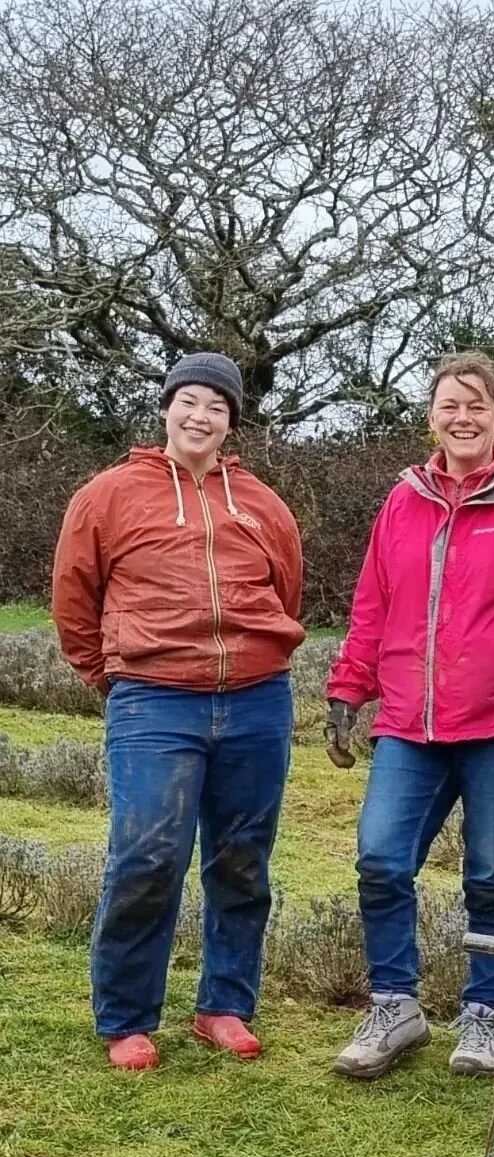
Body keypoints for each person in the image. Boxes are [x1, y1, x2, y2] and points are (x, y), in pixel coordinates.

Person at [51, 353, 304, 1070]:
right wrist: (117, 677)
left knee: (242, 858)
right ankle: (127, 1016)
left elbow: (287, 591)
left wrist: (253, 660)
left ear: (232, 421)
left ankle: (225, 1004)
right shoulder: (108, 495)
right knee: (147, 856)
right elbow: (74, 600)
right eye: (189, 402)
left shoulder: (261, 502)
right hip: (155, 701)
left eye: (216, 407)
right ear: (166, 407)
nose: (201, 416)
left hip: (256, 700)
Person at [326, 353, 494, 1080]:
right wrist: (347, 689)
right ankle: (395, 1007)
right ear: (431, 416)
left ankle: (484, 1016)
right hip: (408, 722)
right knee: (380, 860)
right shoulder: (404, 500)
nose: (462, 417)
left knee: (492, 875)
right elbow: (374, 603)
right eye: (449, 405)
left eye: (477, 406)